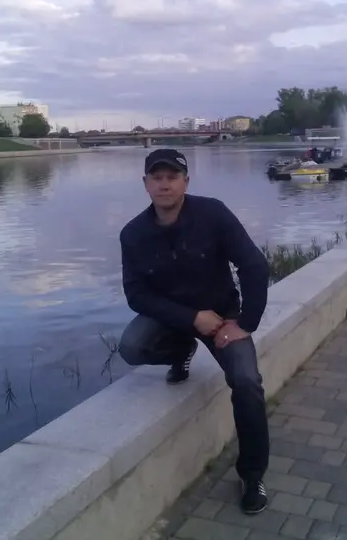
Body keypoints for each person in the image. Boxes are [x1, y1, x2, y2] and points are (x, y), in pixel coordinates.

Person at [118, 148, 270, 515]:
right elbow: (136, 295)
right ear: (145, 184)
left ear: (186, 182)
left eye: (172, 177)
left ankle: (252, 475)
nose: (164, 185)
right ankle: (181, 350)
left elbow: (253, 265)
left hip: (223, 318)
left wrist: (245, 323)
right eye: (157, 178)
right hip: (174, 318)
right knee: (132, 347)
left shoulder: (213, 214)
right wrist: (190, 319)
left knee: (247, 381)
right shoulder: (133, 234)